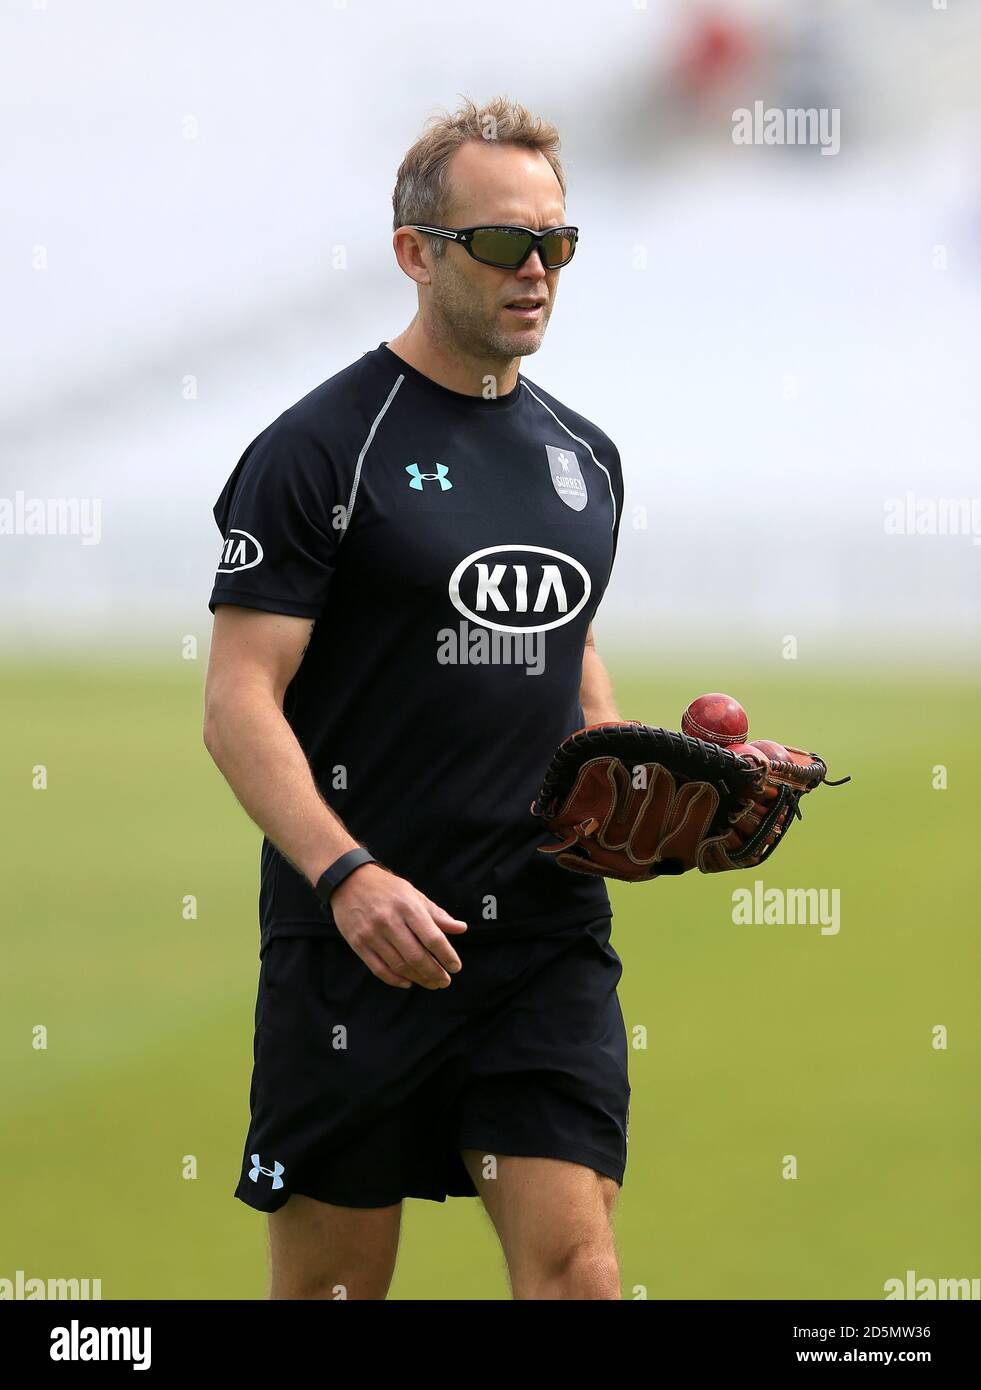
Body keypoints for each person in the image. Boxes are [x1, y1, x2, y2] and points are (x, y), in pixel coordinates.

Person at [203, 96, 629, 1300]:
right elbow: (239, 699)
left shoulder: (584, 455)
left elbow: (567, 642)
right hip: (360, 949)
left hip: (543, 938)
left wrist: (617, 756)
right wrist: (346, 878)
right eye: (503, 243)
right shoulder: (319, 451)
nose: (537, 269)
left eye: (558, 241)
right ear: (417, 253)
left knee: (581, 1274)